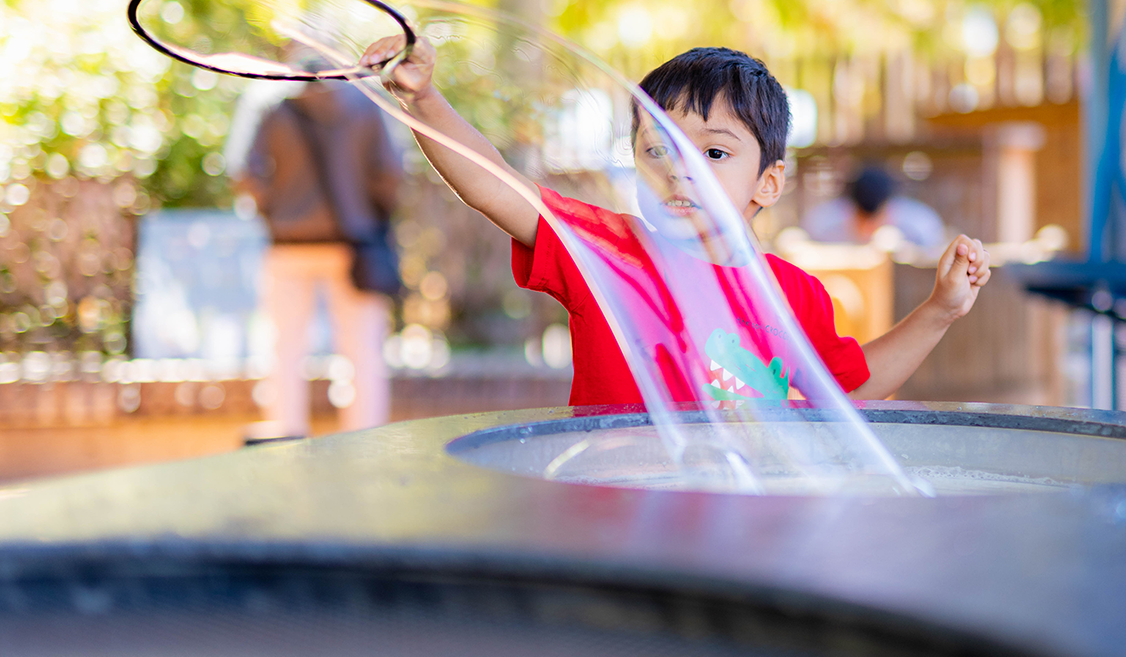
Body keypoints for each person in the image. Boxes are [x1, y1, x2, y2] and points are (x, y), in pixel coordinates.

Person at [358, 38, 989, 404]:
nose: (680, 171)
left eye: (713, 153)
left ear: (768, 182)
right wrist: (424, 99)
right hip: (617, 537)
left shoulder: (794, 294)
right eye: (658, 151)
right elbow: (493, 186)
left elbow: (846, 391)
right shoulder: (608, 254)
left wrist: (940, 309)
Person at [237, 78, 403, 435]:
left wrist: (275, 211)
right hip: (353, 243)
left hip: (287, 243)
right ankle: (366, 446)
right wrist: (368, 215)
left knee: (283, 350)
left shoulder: (269, 100)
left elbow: (244, 171)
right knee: (363, 353)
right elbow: (389, 171)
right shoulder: (365, 99)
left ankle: (286, 444)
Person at [803, 165, 945, 248]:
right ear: (850, 207)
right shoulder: (823, 222)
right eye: (863, 219)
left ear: (889, 206)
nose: (869, 228)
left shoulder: (919, 224)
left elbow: (934, 244)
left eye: (875, 219)